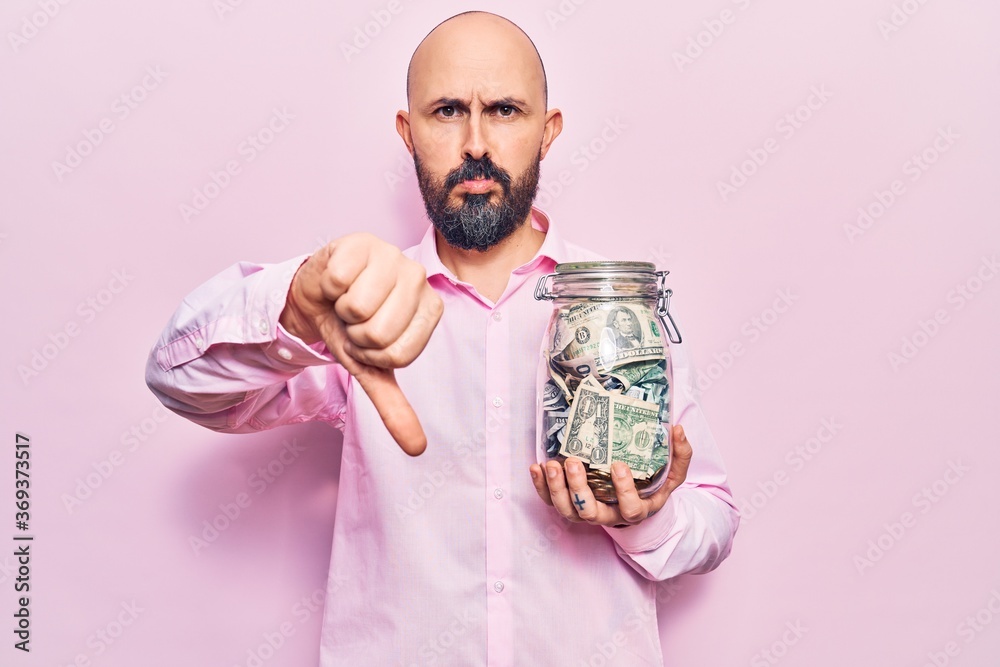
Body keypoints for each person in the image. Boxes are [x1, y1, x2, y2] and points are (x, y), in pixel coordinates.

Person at [145, 11, 739, 666]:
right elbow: (178, 379)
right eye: (448, 110)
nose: (476, 144)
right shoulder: (361, 310)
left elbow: (714, 519)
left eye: (505, 110)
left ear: (548, 131)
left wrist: (645, 516)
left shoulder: (621, 307)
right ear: (409, 132)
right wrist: (295, 308)